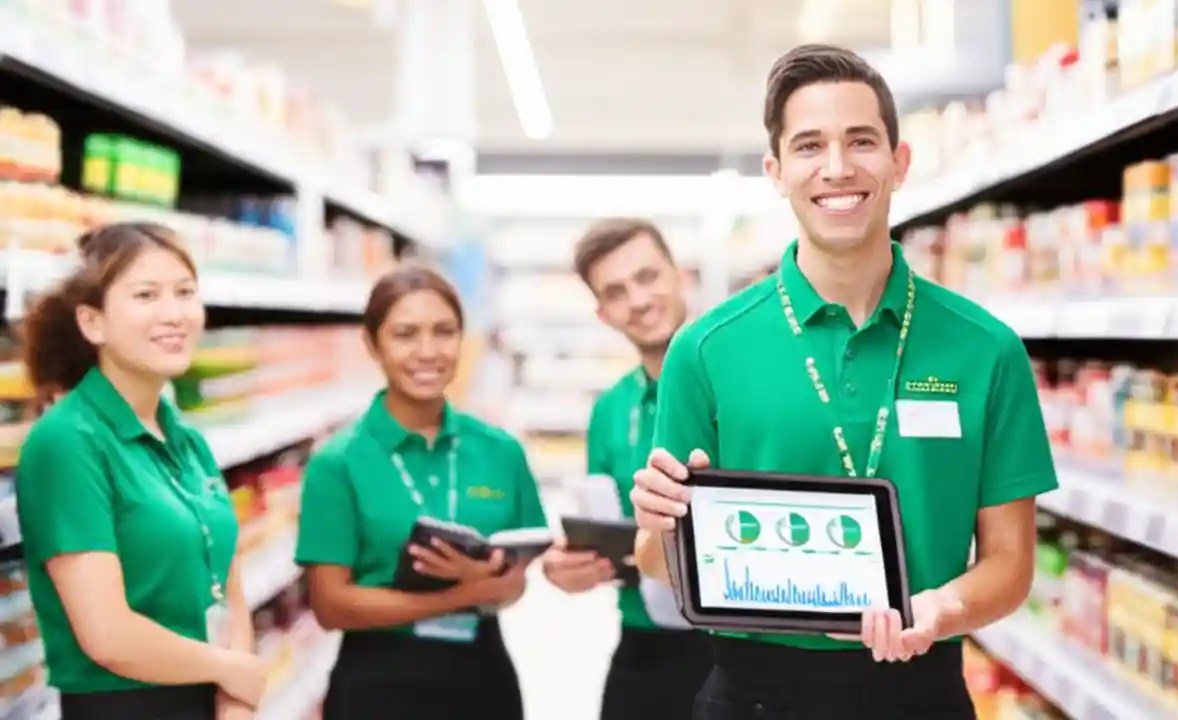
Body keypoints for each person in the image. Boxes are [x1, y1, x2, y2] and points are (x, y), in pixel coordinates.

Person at [629, 44, 1059, 719]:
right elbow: (657, 564)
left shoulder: (986, 350)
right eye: (809, 146)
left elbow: (1011, 563)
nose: (837, 168)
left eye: (861, 141)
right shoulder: (705, 350)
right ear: (776, 171)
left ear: (900, 160)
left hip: (922, 690)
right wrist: (657, 524)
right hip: (754, 697)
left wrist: (935, 609)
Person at [16, 222, 267, 720]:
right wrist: (228, 669)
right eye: (146, 295)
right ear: (93, 323)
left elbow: (226, 579)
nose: (173, 314)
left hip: (211, 700)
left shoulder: (187, 441)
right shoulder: (66, 442)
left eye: (185, 293)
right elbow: (107, 634)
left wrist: (235, 699)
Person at [295, 263, 547, 720]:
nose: (427, 351)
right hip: (377, 684)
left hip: (482, 677)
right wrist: (461, 594)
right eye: (406, 334)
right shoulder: (338, 463)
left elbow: (513, 584)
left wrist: (499, 588)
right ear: (373, 345)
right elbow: (331, 605)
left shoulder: (501, 451)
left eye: (444, 332)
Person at [540, 218, 712, 719]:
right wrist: (572, 565)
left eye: (647, 277)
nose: (637, 300)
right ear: (601, 312)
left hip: (739, 648)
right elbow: (613, 534)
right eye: (616, 291)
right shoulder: (610, 409)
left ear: (681, 275)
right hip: (644, 645)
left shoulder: (742, 384)